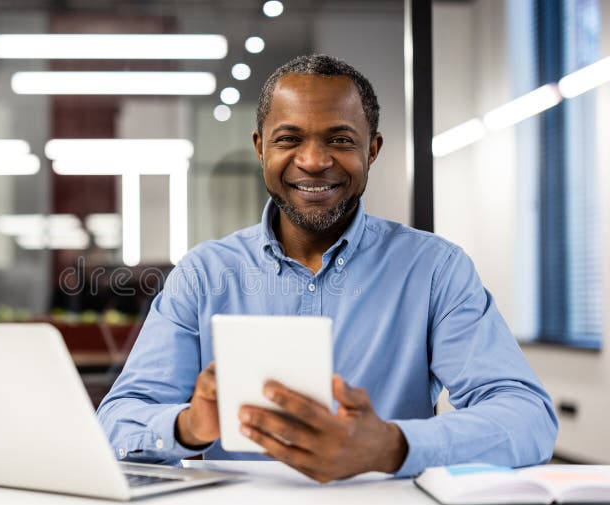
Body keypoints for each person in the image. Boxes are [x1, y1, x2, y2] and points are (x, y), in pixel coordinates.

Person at [97, 54, 558, 482]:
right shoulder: (203, 274)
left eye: (339, 140)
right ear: (260, 147)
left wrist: (392, 446)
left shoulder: (435, 270)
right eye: (289, 139)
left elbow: (528, 418)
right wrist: (189, 425)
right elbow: (117, 421)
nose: (314, 161)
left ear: (372, 149)